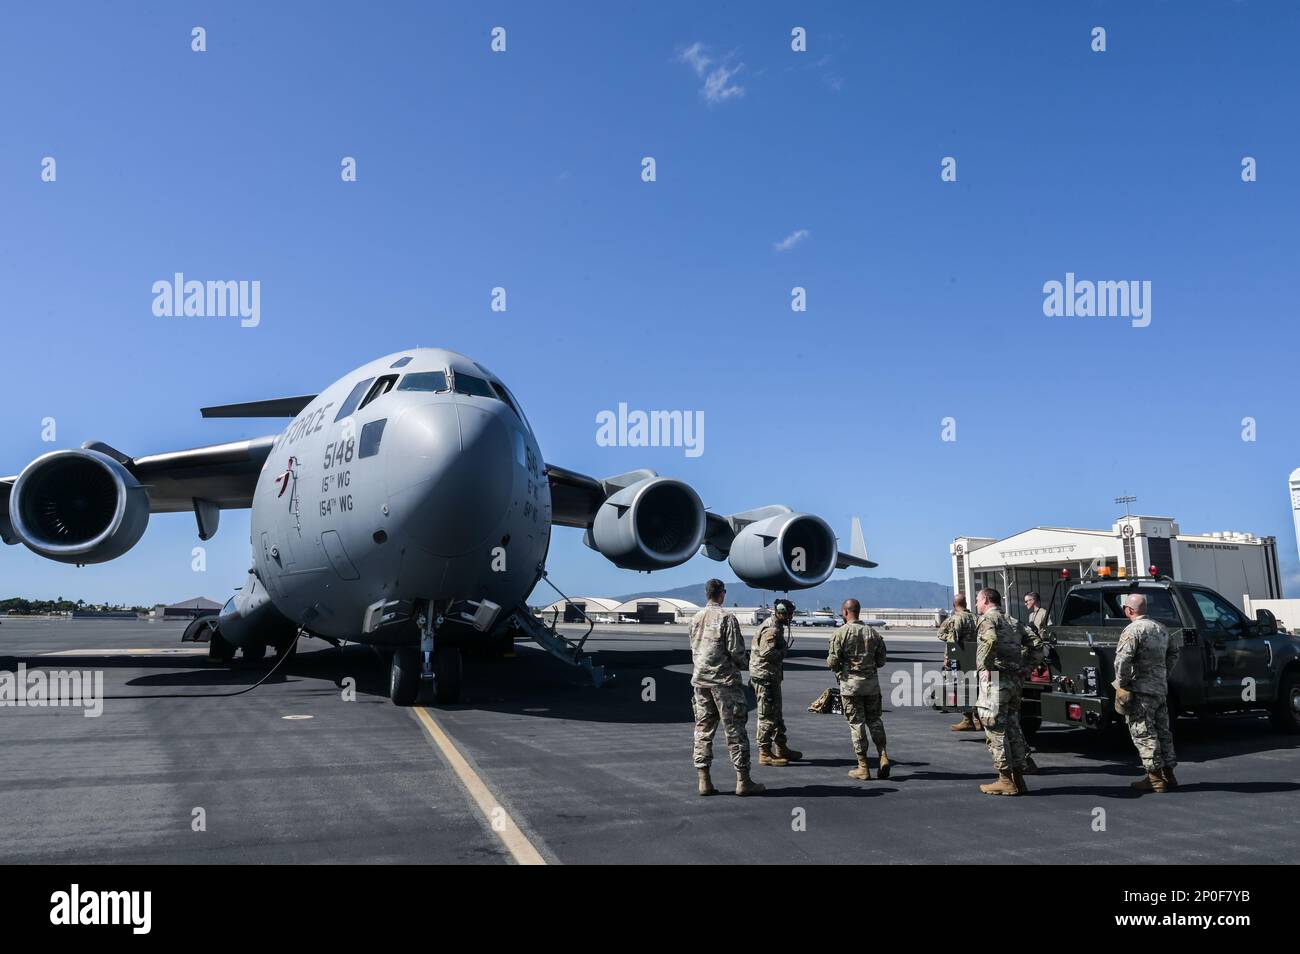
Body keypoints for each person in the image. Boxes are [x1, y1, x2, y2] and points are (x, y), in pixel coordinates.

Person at [689, 579, 764, 797]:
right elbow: (737, 651)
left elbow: (694, 648)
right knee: (735, 731)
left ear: (707, 594)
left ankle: (704, 780)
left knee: (703, 730)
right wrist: (744, 665)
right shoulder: (727, 618)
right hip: (724, 683)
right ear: (722, 594)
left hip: (701, 682)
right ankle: (743, 780)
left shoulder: (695, 618)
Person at [1114, 592, 1179, 793]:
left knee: (1143, 733)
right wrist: (1161, 674)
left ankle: (1155, 778)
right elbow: (1174, 653)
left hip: (1140, 690)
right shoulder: (1161, 628)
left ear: (1129, 610)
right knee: (1163, 732)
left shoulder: (1133, 630)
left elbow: (1122, 660)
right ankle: (1169, 774)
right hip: (1159, 689)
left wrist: (1122, 684)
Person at [827, 598, 890, 780]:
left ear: (846, 612)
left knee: (857, 724)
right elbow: (882, 661)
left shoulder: (840, 634)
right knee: (875, 721)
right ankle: (883, 755)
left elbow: (832, 662)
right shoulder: (873, 633)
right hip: (871, 686)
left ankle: (863, 766)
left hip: (851, 687)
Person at [974, 587, 1029, 795]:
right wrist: (1025, 667)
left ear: (987, 600)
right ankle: (1019, 778)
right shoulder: (1013, 620)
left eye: (978, 600)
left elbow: (991, 640)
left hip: (996, 679)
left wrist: (985, 667)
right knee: (1013, 728)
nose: (977, 604)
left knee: (995, 728)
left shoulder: (989, 620)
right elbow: (1036, 644)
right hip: (1014, 681)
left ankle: (1005, 779)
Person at [751, 598, 802, 766]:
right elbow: (767, 653)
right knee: (767, 715)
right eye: (788, 613)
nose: (790, 616)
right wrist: (783, 652)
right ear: (780, 613)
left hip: (771, 676)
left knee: (776, 714)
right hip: (765, 677)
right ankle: (764, 752)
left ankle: (781, 747)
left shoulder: (778, 626)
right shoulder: (772, 630)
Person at [938, 594, 982, 731]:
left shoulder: (954, 619)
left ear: (954, 604)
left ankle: (967, 719)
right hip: (975, 656)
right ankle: (978, 718)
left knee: (961, 687)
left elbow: (948, 638)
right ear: (966, 603)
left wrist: (948, 657)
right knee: (975, 686)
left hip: (960, 657)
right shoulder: (976, 618)